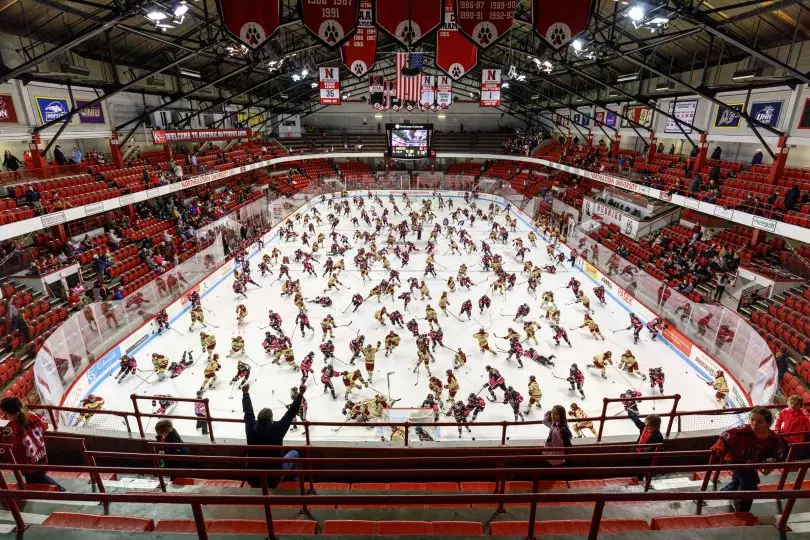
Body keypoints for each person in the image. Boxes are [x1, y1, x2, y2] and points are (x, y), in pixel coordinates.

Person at [710, 406, 786, 512]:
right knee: (749, 482)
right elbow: (726, 436)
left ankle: (724, 493)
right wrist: (719, 446)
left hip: (752, 464)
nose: (754, 423)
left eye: (759, 421)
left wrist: (771, 462)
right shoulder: (742, 431)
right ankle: (743, 509)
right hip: (736, 461)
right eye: (752, 420)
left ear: (768, 424)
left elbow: (777, 454)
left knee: (740, 481)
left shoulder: (773, 439)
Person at [242, 382, 305, 488]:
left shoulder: (251, 428)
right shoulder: (277, 428)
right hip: (273, 479)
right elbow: (291, 413)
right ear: (271, 419)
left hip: (252, 479)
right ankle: (294, 481)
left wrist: (245, 394)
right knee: (294, 453)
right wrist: (301, 394)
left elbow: (248, 412)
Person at [0, 397, 65, 491]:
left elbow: (3, 449)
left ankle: (63, 492)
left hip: (28, 464)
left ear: (5, 412)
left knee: (37, 483)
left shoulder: (10, 429)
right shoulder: (32, 415)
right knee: (38, 480)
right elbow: (45, 425)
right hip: (41, 456)